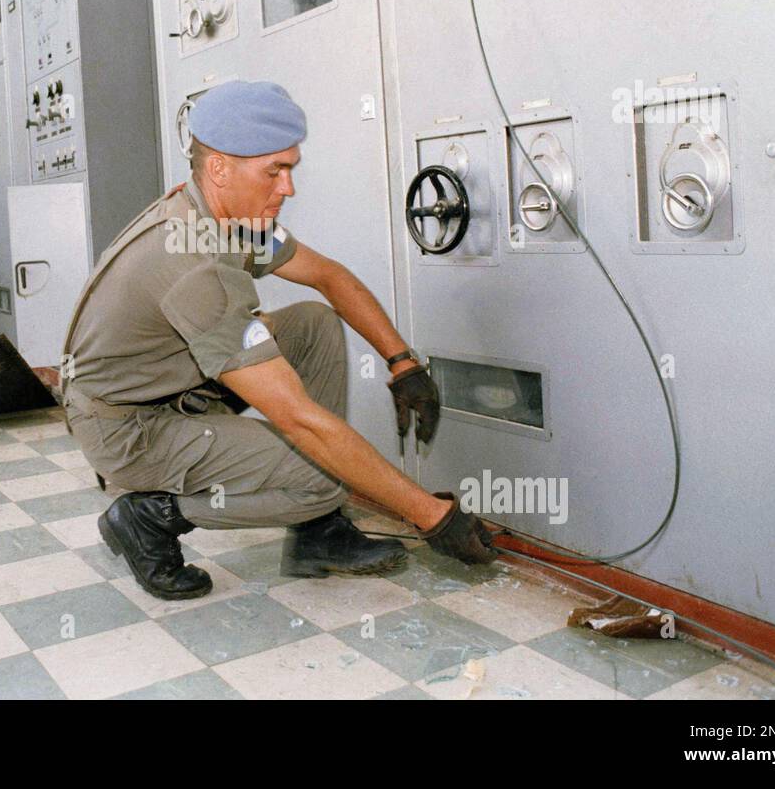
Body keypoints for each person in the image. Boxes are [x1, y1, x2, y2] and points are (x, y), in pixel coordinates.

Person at [61, 80, 495, 601]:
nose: (288, 188)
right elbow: (298, 419)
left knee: (312, 321)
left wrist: (402, 363)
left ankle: (319, 532)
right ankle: (150, 517)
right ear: (220, 167)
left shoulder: (229, 218)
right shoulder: (192, 265)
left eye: (291, 168)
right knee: (319, 475)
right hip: (128, 426)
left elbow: (330, 277)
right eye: (274, 171)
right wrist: (433, 517)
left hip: (178, 383)